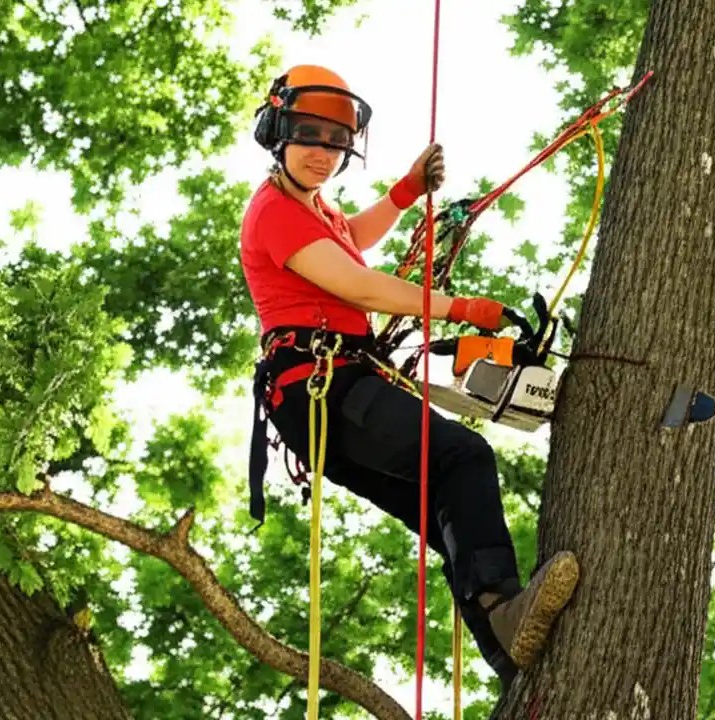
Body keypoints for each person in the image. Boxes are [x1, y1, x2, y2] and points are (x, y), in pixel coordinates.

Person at [238, 63, 579, 697]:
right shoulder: (272, 212)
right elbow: (359, 284)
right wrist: (457, 307)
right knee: (462, 456)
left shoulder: (315, 211)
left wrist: (403, 191)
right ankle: (504, 609)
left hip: (329, 397)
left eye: (337, 143)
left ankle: (506, 649)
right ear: (275, 133)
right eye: (309, 137)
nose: (323, 153)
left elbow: (353, 239)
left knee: (445, 510)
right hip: (325, 387)